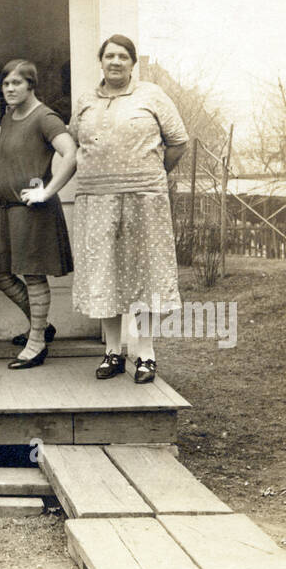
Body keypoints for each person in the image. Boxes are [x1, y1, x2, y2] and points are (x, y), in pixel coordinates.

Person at [69, 35, 188, 384]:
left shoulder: (151, 95)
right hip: (96, 200)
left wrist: (150, 173)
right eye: (109, 56)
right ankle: (112, 352)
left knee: (146, 271)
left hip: (143, 199)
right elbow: (74, 140)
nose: (116, 62)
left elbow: (177, 141)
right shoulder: (86, 100)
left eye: (123, 56)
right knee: (106, 272)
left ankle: (146, 355)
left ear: (133, 63)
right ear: (101, 62)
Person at [0, 60, 78, 368]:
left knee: (33, 276)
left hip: (32, 211)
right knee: (1, 275)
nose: (10, 89)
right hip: (5, 210)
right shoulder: (10, 117)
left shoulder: (45, 117)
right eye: (6, 84)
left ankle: (37, 343)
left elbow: (70, 153)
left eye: (17, 83)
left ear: (31, 85)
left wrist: (48, 191)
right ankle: (42, 327)